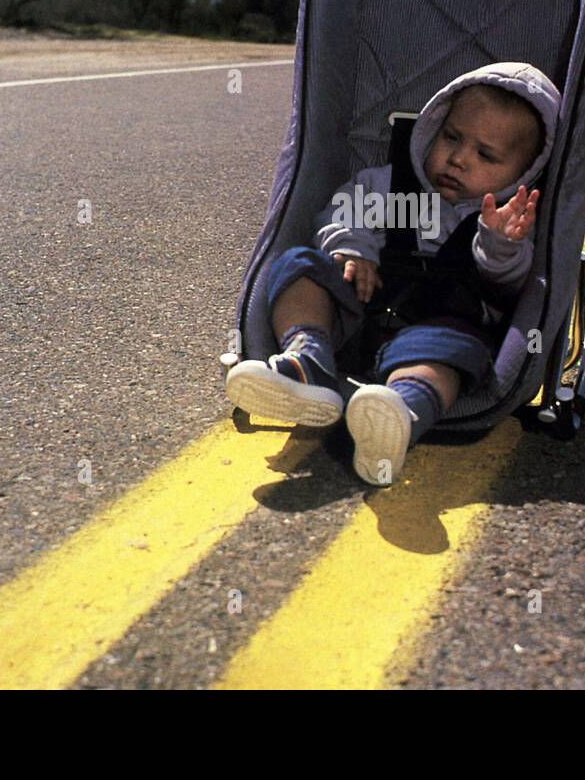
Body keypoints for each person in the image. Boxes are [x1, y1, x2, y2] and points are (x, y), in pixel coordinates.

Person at [226, 61, 560, 485]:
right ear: (434, 126)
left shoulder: (507, 220)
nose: (458, 159)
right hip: (361, 306)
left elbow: (509, 285)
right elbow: (343, 211)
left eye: (485, 155)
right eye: (452, 137)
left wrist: (499, 245)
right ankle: (308, 359)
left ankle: (397, 414)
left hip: (442, 325)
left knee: (451, 353)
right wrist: (352, 248)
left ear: (522, 173)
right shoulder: (391, 182)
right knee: (297, 265)